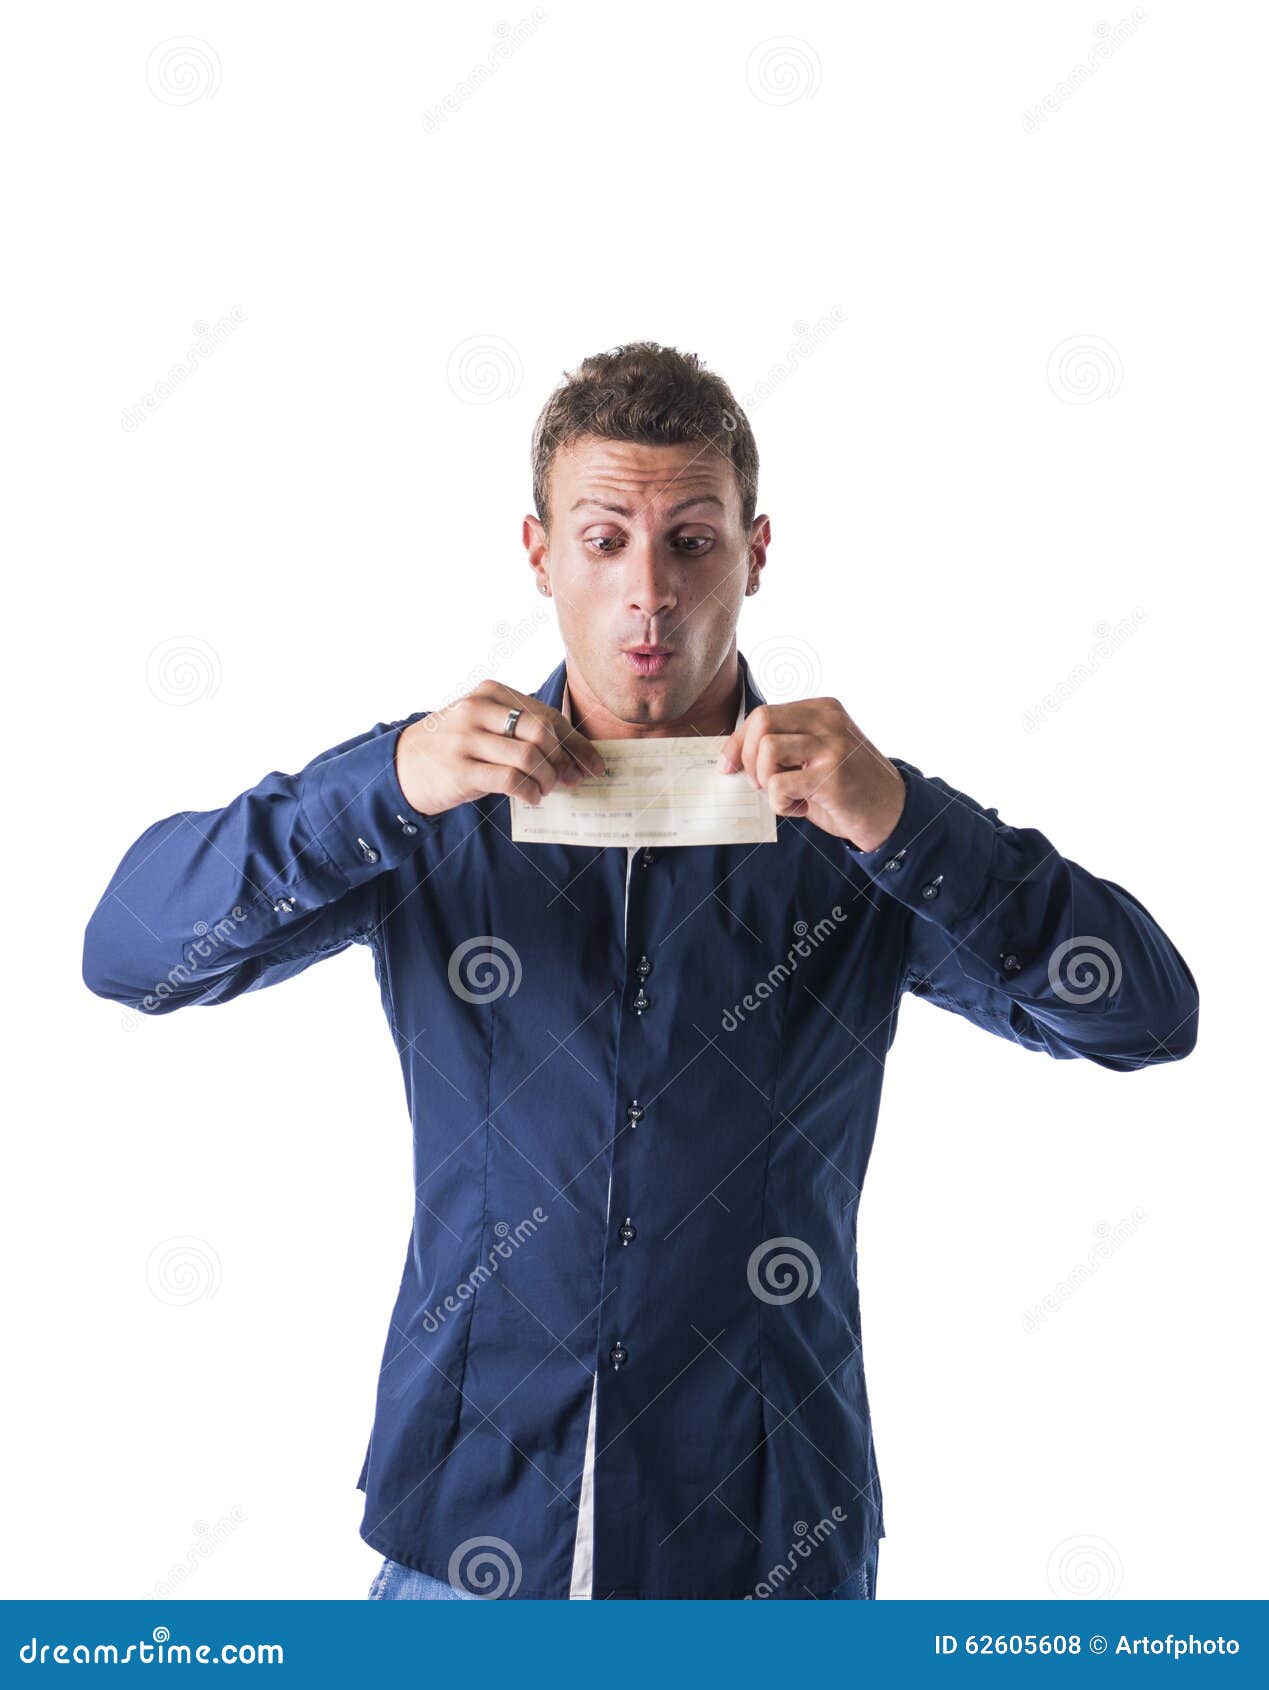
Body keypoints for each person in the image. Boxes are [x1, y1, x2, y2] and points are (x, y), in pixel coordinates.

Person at [82, 343, 1199, 1600]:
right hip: (472, 1537)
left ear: (756, 553)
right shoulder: (432, 808)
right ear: (539, 552)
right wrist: (382, 782)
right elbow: (130, 953)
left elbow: (1147, 1015)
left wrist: (905, 823)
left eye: (692, 543)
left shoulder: (856, 832)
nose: (648, 595)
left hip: (771, 1553)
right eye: (605, 539)